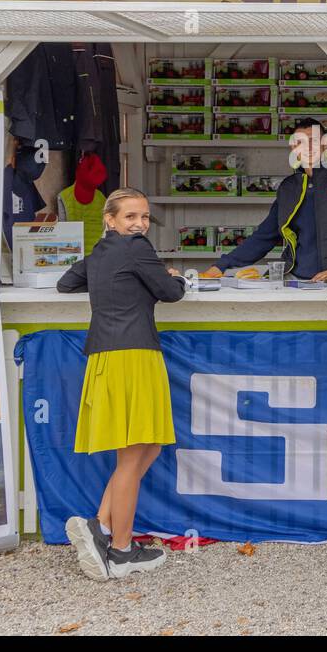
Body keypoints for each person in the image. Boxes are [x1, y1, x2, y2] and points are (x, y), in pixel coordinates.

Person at [56, 187, 187, 581]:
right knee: (132, 458)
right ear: (110, 220)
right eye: (130, 217)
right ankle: (122, 550)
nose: (140, 224)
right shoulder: (137, 249)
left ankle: (100, 525)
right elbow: (171, 294)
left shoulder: (102, 252)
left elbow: (66, 283)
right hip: (134, 356)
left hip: (106, 357)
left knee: (148, 446)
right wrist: (172, 277)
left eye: (144, 217)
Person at [200, 118, 327, 282]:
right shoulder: (289, 188)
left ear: (325, 144)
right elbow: (264, 236)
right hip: (296, 280)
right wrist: (221, 266)